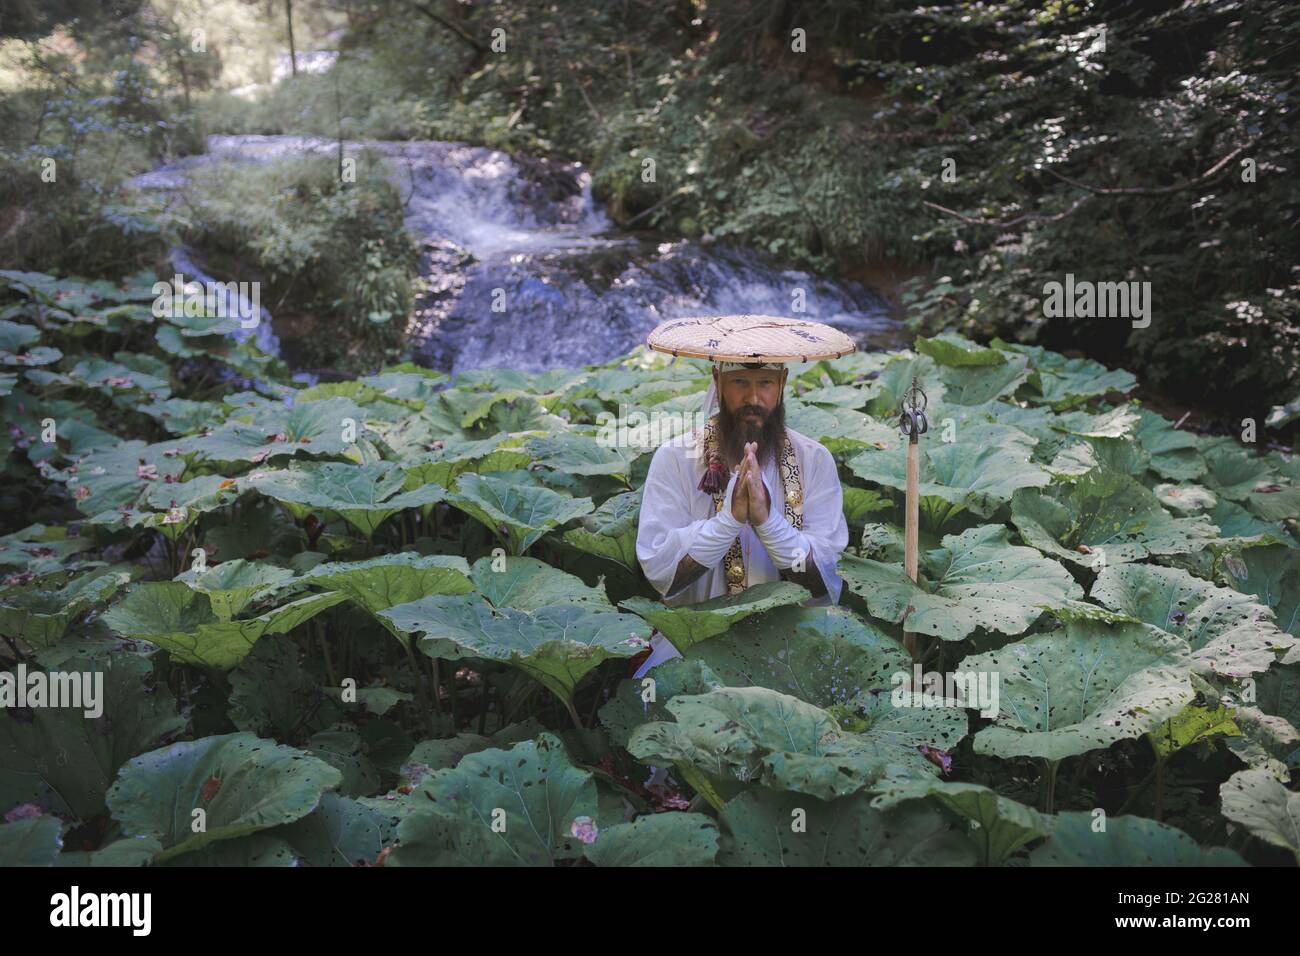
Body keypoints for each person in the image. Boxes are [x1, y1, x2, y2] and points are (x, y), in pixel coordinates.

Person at [632, 355, 850, 677]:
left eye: (765, 383)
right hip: (696, 644)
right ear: (717, 380)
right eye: (739, 383)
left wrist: (767, 522)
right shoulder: (675, 459)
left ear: (783, 382)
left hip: (794, 646)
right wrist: (729, 521)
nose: (753, 399)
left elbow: (825, 581)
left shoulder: (814, 460)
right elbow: (662, 575)